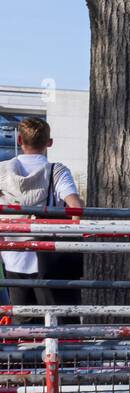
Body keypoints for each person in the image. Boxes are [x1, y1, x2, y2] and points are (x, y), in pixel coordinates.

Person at [0, 117, 85, 316]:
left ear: (20, 140)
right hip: (51, 259)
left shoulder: (2, 170)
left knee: (24, 323)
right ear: (49, 143)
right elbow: (75, 207)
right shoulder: (57, 171)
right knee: (57, 320)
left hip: (12, 255)